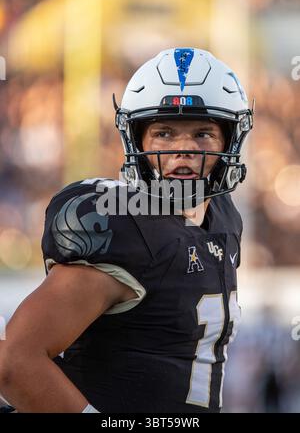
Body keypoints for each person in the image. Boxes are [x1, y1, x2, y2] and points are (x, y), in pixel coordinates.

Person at [0, 48, 253, 413]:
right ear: (136, 141)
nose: (183, 150)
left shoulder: (225, 216)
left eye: (203, 133)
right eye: (164, 133)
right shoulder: (120, 226)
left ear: (231, 140)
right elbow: (15, 362)